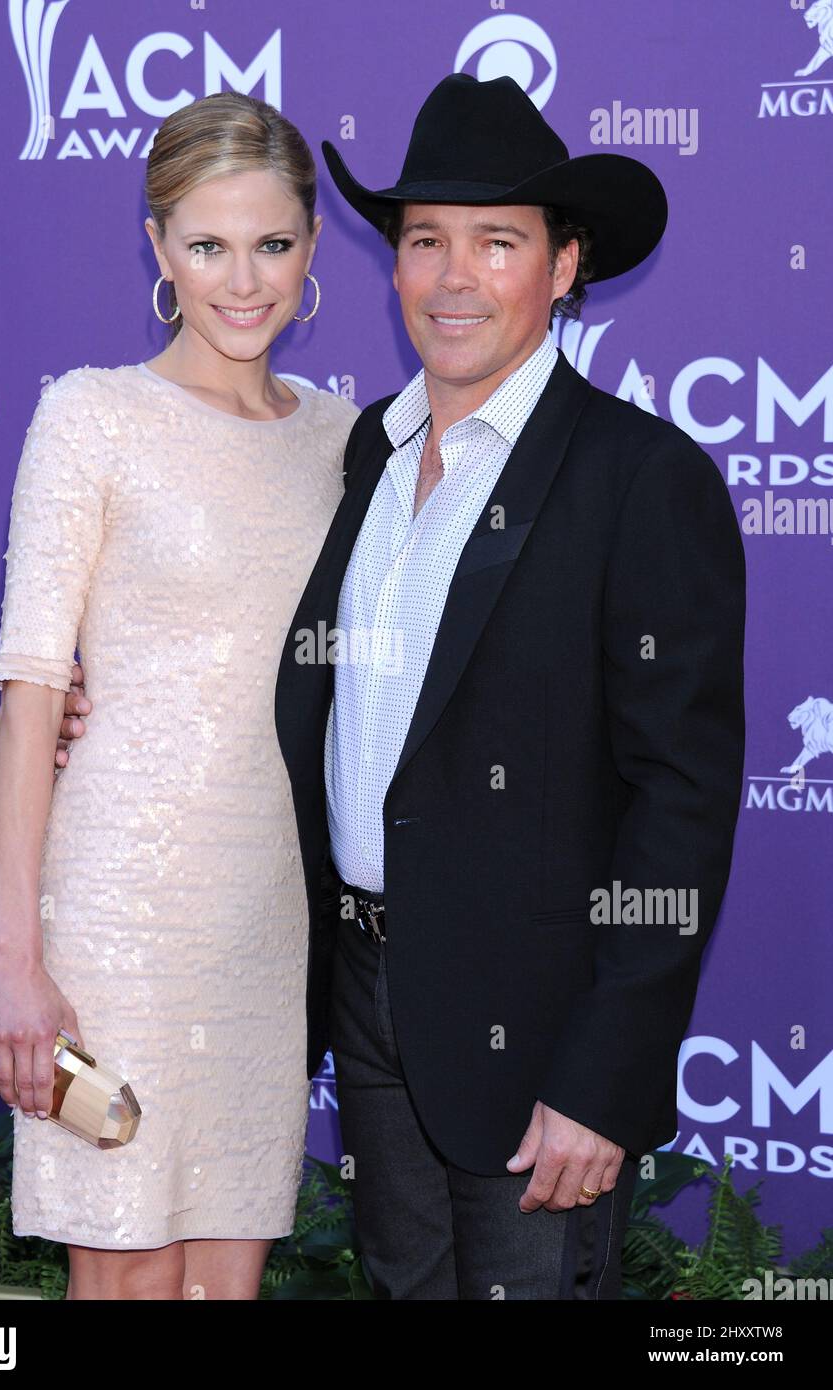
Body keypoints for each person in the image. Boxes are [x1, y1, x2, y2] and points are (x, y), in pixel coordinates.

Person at [61, 74, 745, 1301]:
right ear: (389, 265)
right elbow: (245, 642)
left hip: (540, 1039)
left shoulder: (641, 480)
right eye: (425, 239)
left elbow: (680, 807)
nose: (453, 277)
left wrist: (604, 1078)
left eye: (498, 242)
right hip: (367, 1000)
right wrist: (96, 701)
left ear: (564, 265)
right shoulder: (358, 451)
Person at [0, 91, 359, 1301]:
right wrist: (14, 955)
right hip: (117, 919)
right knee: (130, 1280)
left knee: (225, 1285)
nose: (242, 280)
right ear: (157, 247)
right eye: (206, 245)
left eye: (271, 243)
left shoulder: (349, 441)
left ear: (309, 246)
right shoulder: (90, 418)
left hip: (268, 926)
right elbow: (32, 695)